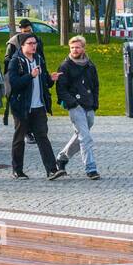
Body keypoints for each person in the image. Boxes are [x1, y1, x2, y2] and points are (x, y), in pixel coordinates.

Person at [6, 34, 65, 180]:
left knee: (42, 136)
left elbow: (44, 81)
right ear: (22, 45)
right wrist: (30, 76)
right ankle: (17, 170)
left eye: (35, 43)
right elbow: (14, 83)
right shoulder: (15, 61)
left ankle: (52, 170)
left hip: (38, 106)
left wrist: (51, 79)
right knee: (19, 138)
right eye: (30, 43)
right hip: (22, 106)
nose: (34, 46)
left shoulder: (38, 59)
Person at [55, 35, 101, 179]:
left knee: (80, 136)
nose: (74, 50)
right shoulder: (65, 66)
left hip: (89, 105)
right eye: (72, 47)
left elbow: (95, 85)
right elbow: (61, 89)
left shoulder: (90, 65)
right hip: (75, 106)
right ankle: (91, 168)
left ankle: (62, 158)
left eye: (77, 47)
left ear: (83, 48)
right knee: (85, 138)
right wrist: (72, 103)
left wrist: (95, 103)